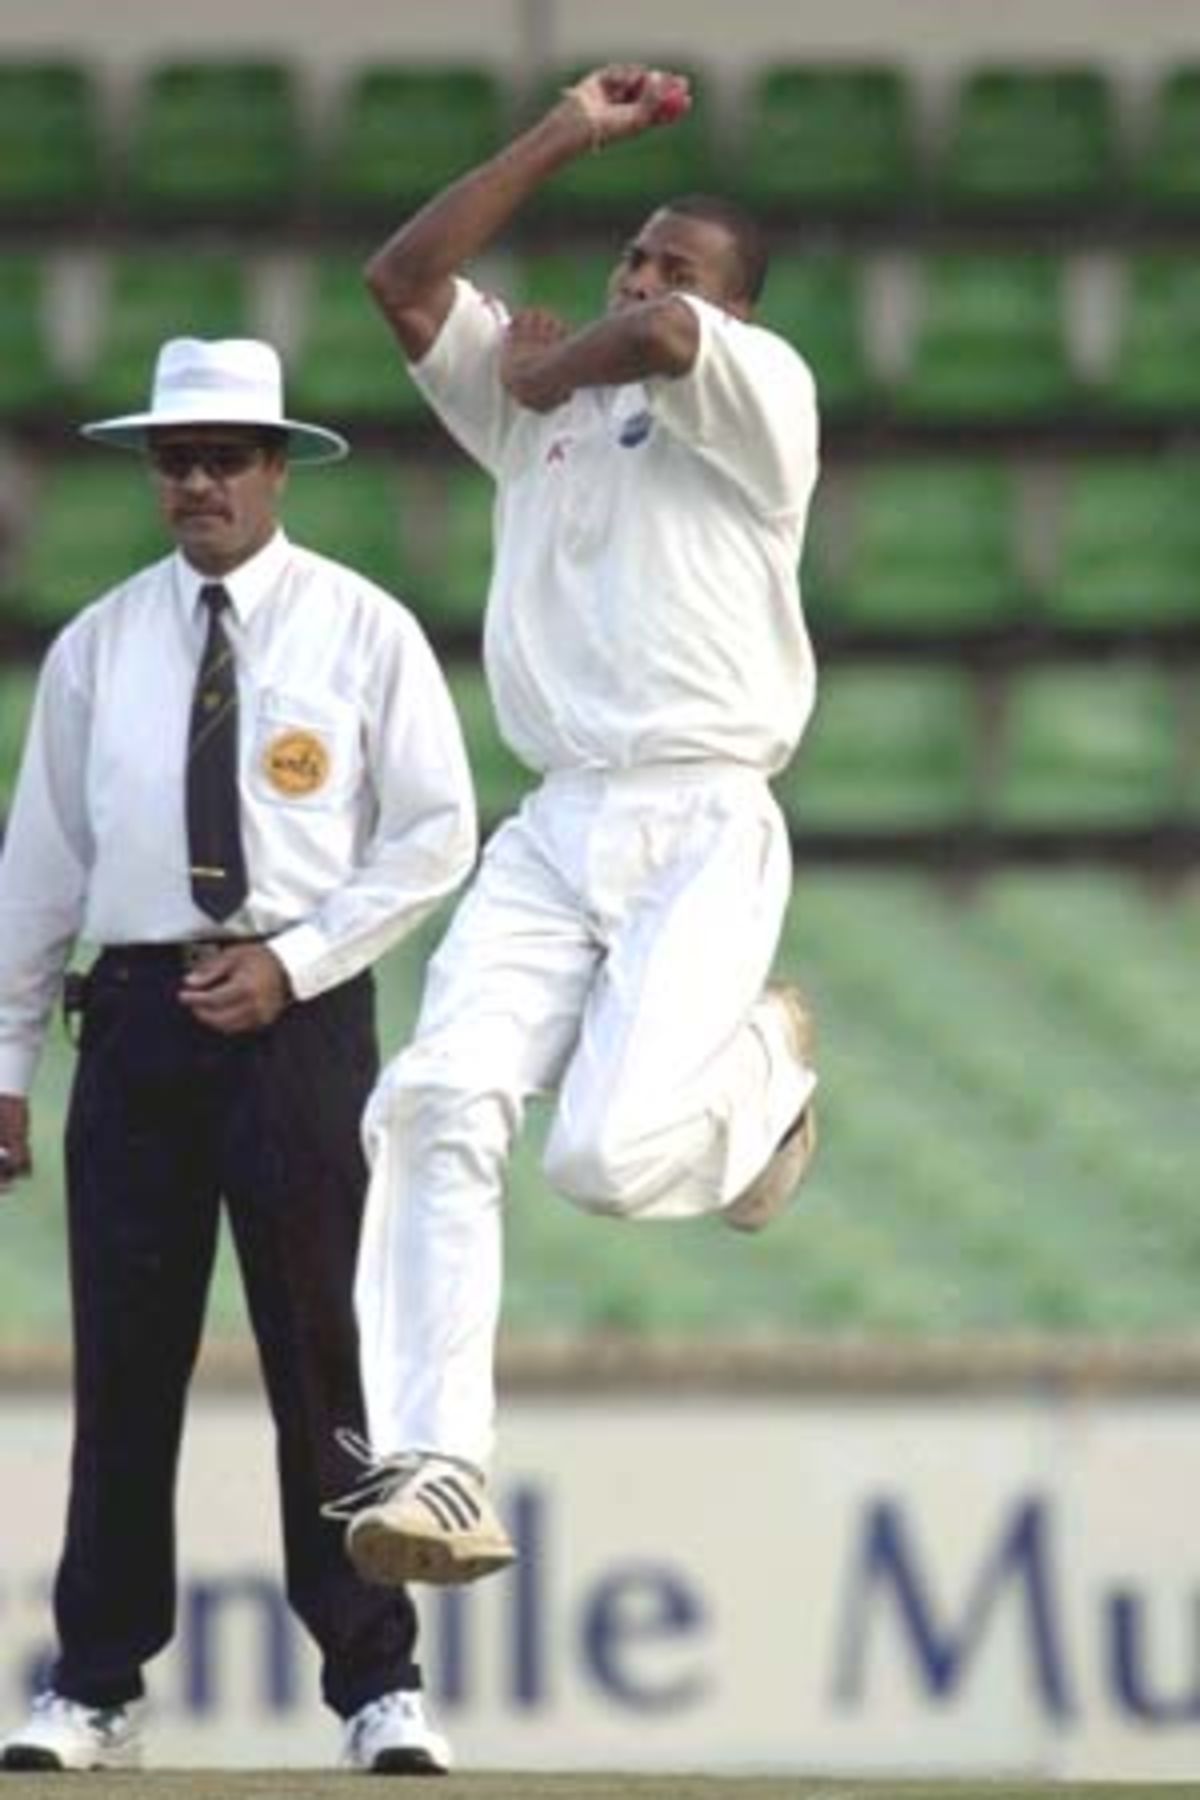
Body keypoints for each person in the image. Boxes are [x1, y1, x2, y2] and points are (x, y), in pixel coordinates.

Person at [329, 63, 820, 1590]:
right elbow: (403, 281)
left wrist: (555, 368)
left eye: (682, 266)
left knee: (602, 1161)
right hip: (555, 820)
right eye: (633, 253)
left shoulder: (760, 395)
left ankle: (767, 1070)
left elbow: (666, 345)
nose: (646, 281)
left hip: (704, 808)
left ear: (739, 307)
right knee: (432, 1101)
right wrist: (560, 136)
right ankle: (437, 1466)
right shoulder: (542, 396)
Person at [0, 336, 477, 1772]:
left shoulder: (361, 629)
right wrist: (7, 1065)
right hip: (139, 1016)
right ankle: (95, 1684)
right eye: (175, 460)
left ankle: (375, 1684)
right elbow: (41, 872)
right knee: (124, 1361)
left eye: (222, 458)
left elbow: (436, 833)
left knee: (324, 1355)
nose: (197, 483)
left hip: (300, 1022)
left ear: (278, 468)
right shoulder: (98, 647)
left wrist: (297, 961)